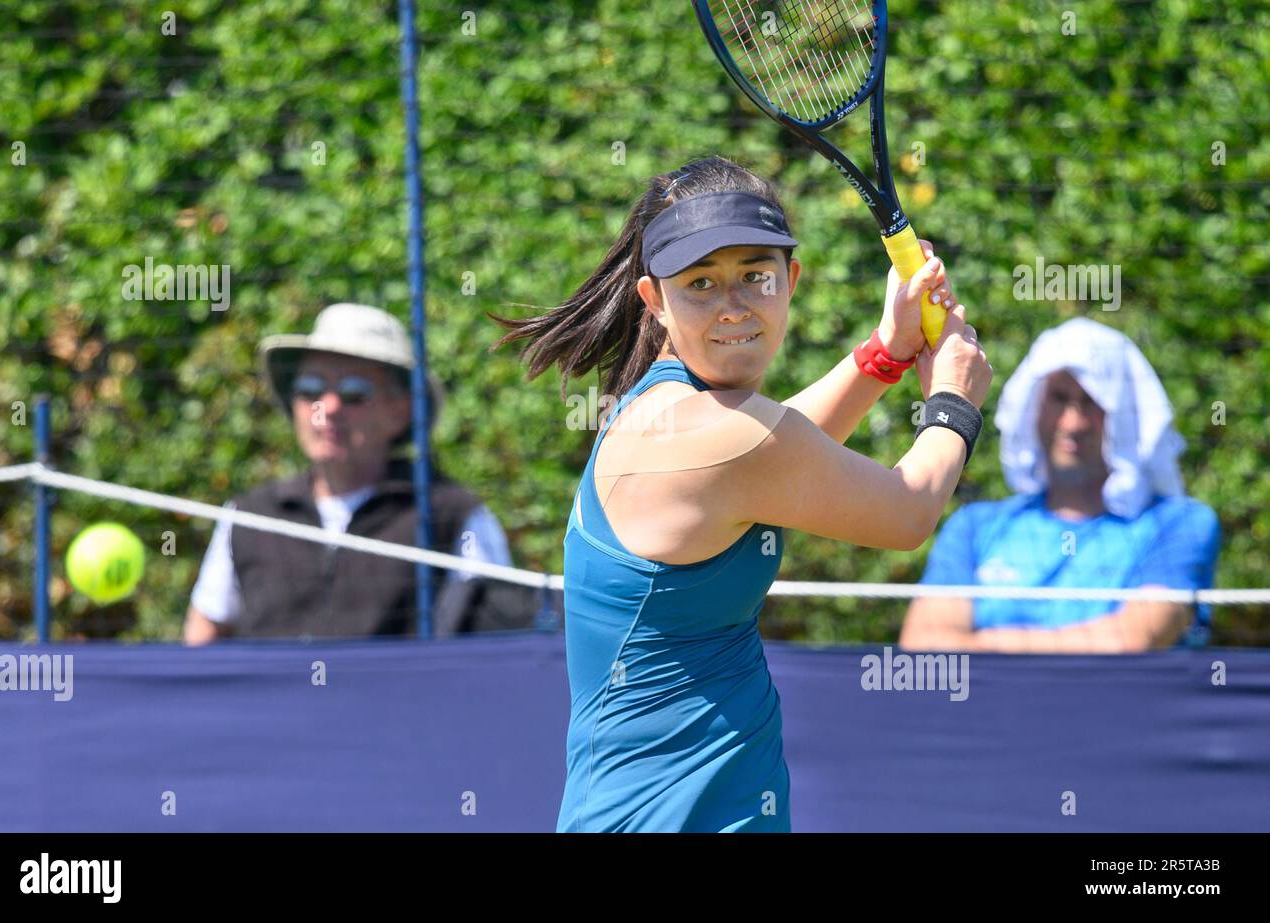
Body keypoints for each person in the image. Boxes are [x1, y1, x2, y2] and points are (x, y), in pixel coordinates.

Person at [494, 155, 992, 832]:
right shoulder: (723, 439)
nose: (734, 307)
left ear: (790, 279)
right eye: (701, 283)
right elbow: (907, 511)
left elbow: (785, 453)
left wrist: (889, 350)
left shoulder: (681, 416)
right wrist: (954, 402)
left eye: (754, 276)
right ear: (655, 300)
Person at [185, 303, 521, 644]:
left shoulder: (452, 514)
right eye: (310, 390)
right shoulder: (248, 516)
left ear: (400, 411)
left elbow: (499, 648)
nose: (328, 408)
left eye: (354, 393)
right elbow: (203, 638)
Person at [900, 317, 1220, 653]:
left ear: (1124, 413)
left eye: (1091, 401)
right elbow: (924, 646)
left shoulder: (1180, 524)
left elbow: (1131, 641)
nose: (1073, 423)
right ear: (1032, 408)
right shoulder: (974, 527)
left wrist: (975, 645)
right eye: (1059, 398)